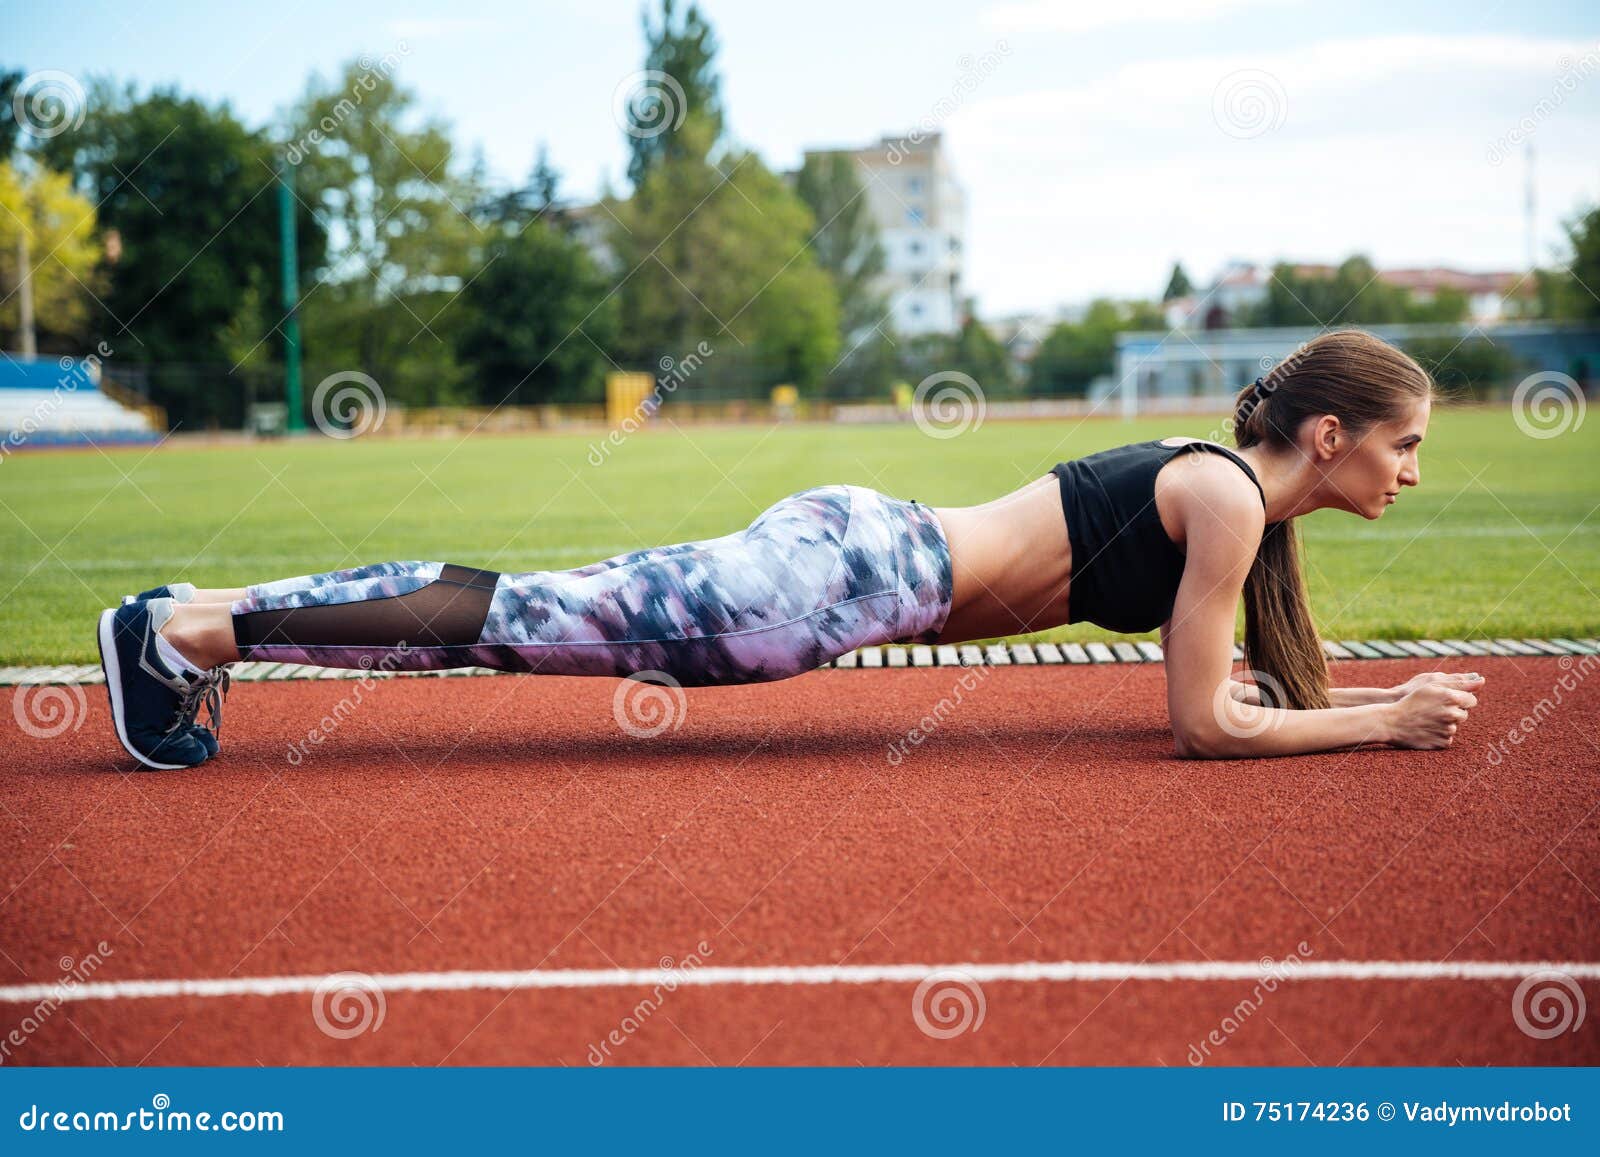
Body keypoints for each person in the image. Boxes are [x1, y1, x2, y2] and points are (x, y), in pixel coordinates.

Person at [97, 328, 1481, 770]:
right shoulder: (1230, 499)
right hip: (833, 581)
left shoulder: (1230, 504)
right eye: (1402, 443)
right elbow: (1201, 727)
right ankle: (186, 628)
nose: (1412, 470)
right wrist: (1383, 719)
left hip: (848, 556)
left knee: (510, 611)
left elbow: (1227, 694)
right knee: (503, 612)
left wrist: (1305, 701)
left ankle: (195, 619)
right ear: (1328, 431)